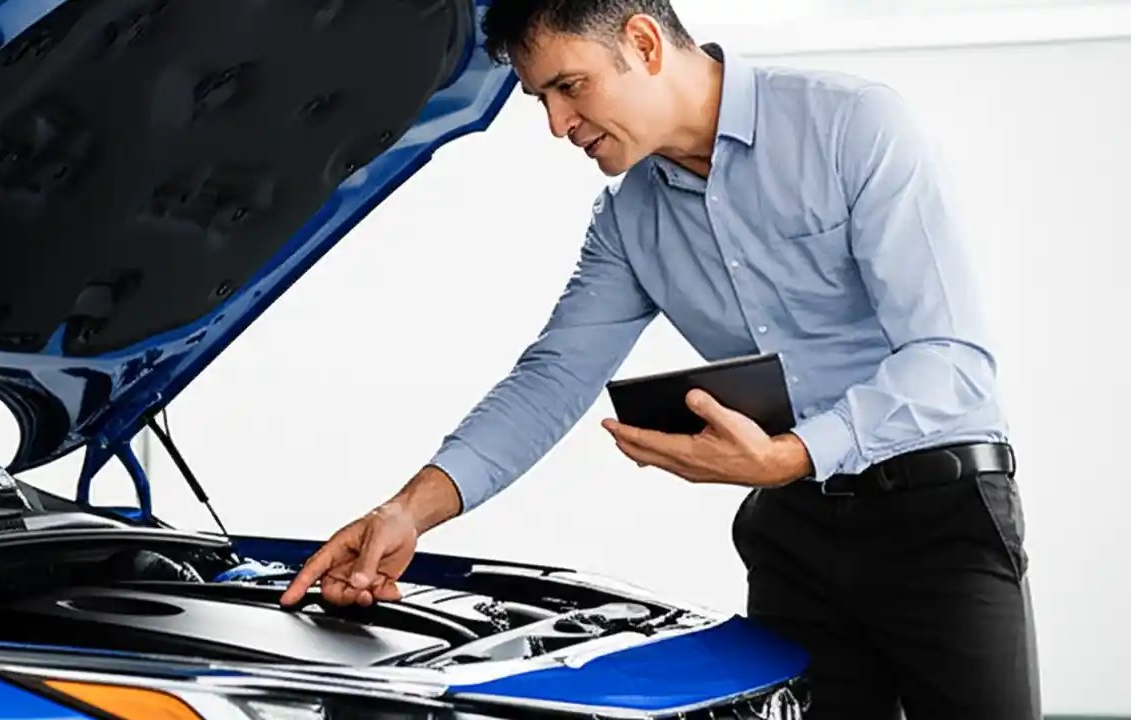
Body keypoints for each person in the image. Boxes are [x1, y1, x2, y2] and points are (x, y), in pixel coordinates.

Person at [278, 1, 1039, 717]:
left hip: (941, 522)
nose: (557, 125)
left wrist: (791, 454)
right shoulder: (626, 219)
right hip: (796, 537)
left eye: (568, 88)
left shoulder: (850, 124)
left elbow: (950, 358)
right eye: (540, 99)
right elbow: (551, 379)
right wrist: (408, 511)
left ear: (642, 43)